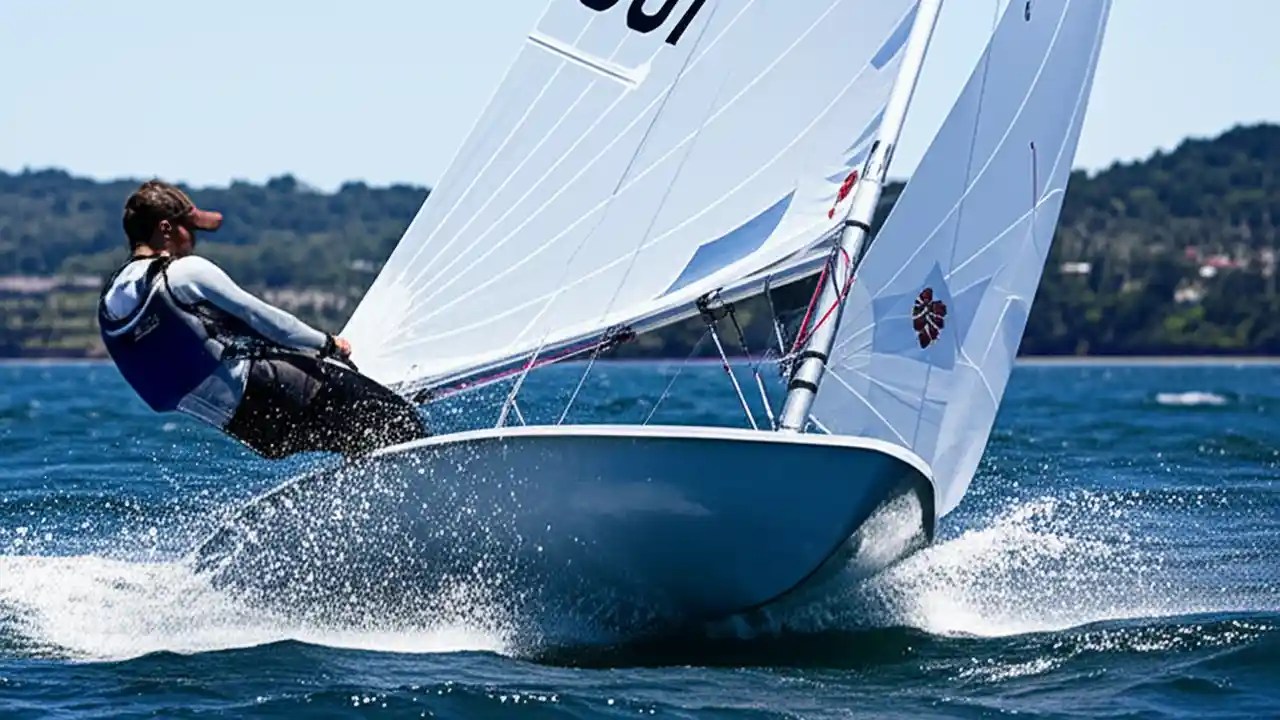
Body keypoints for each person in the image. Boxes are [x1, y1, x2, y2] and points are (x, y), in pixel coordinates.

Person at [97, 179, 429, 459]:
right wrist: (327, 343)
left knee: (359, 440)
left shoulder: (111, 301)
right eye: (190, 230)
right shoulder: (183, 273)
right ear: (165, 229)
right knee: (398, 420)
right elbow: (265, 319)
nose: (194, 241)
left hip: (247, 426)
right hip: (271, 389)